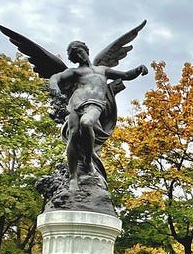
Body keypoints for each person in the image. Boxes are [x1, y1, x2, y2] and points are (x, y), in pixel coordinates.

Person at [50, 40, 148, 190]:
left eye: (80, 52)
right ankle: (73, 178)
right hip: (76, 104)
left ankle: (88, 161)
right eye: (75, 55)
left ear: (86, 51)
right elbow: (55, 78)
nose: (79, 56)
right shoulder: (76, 72)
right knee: (73, 135)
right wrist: (54, 87)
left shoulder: (102, 70)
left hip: (95, 105)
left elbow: (126, 75)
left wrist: (139, 69)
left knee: (87, 123)